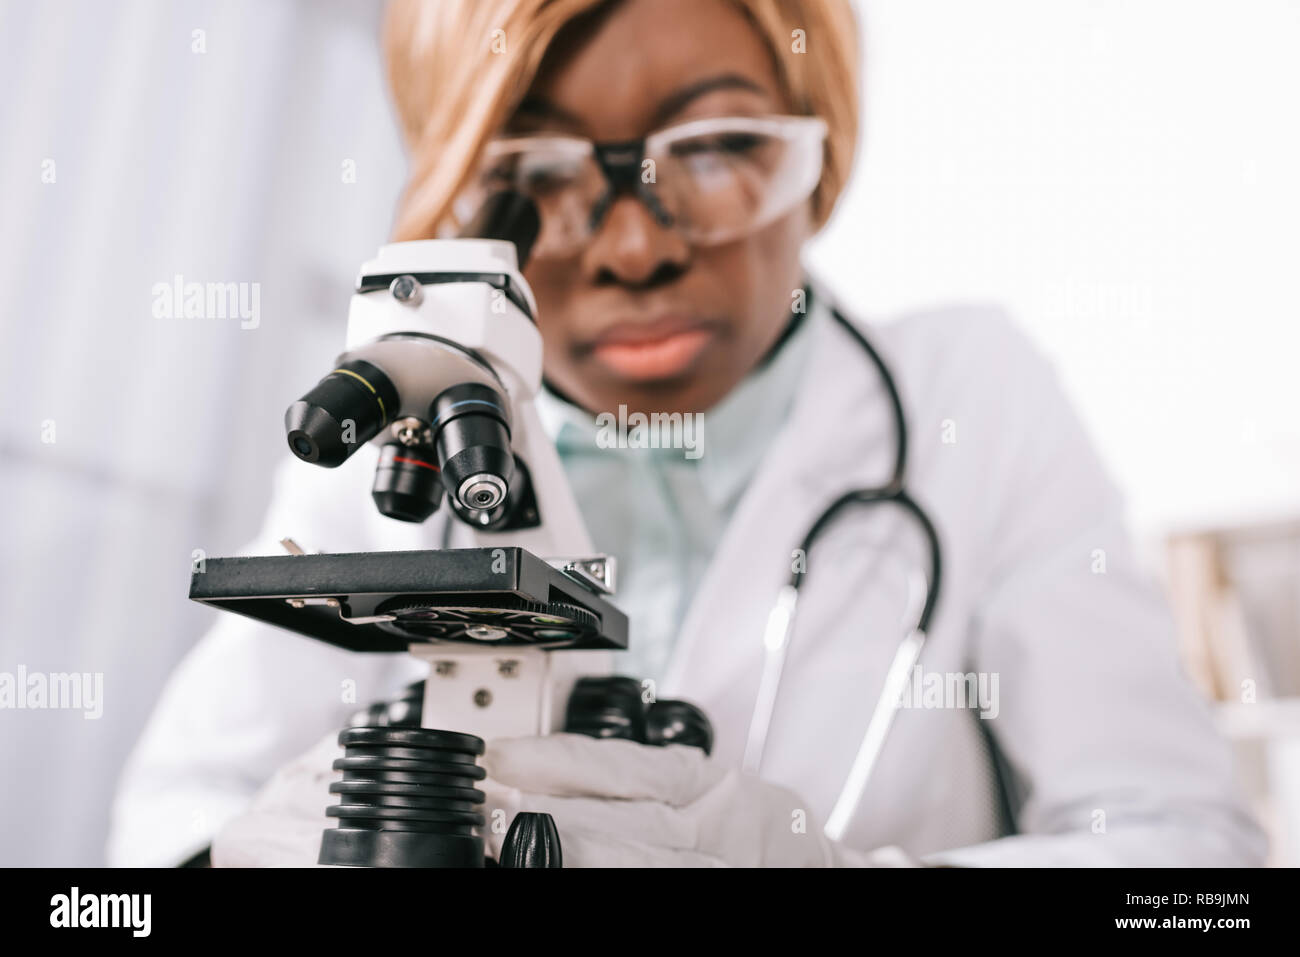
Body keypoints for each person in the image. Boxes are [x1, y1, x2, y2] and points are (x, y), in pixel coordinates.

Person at [108, 0, 1266, 867]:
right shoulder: (402, 434)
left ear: (816, 158)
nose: (632, 250)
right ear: (465, 203)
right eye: (536, 178)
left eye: (713, 149)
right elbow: (153, 833)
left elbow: (1187, 863)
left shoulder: (975, 392)